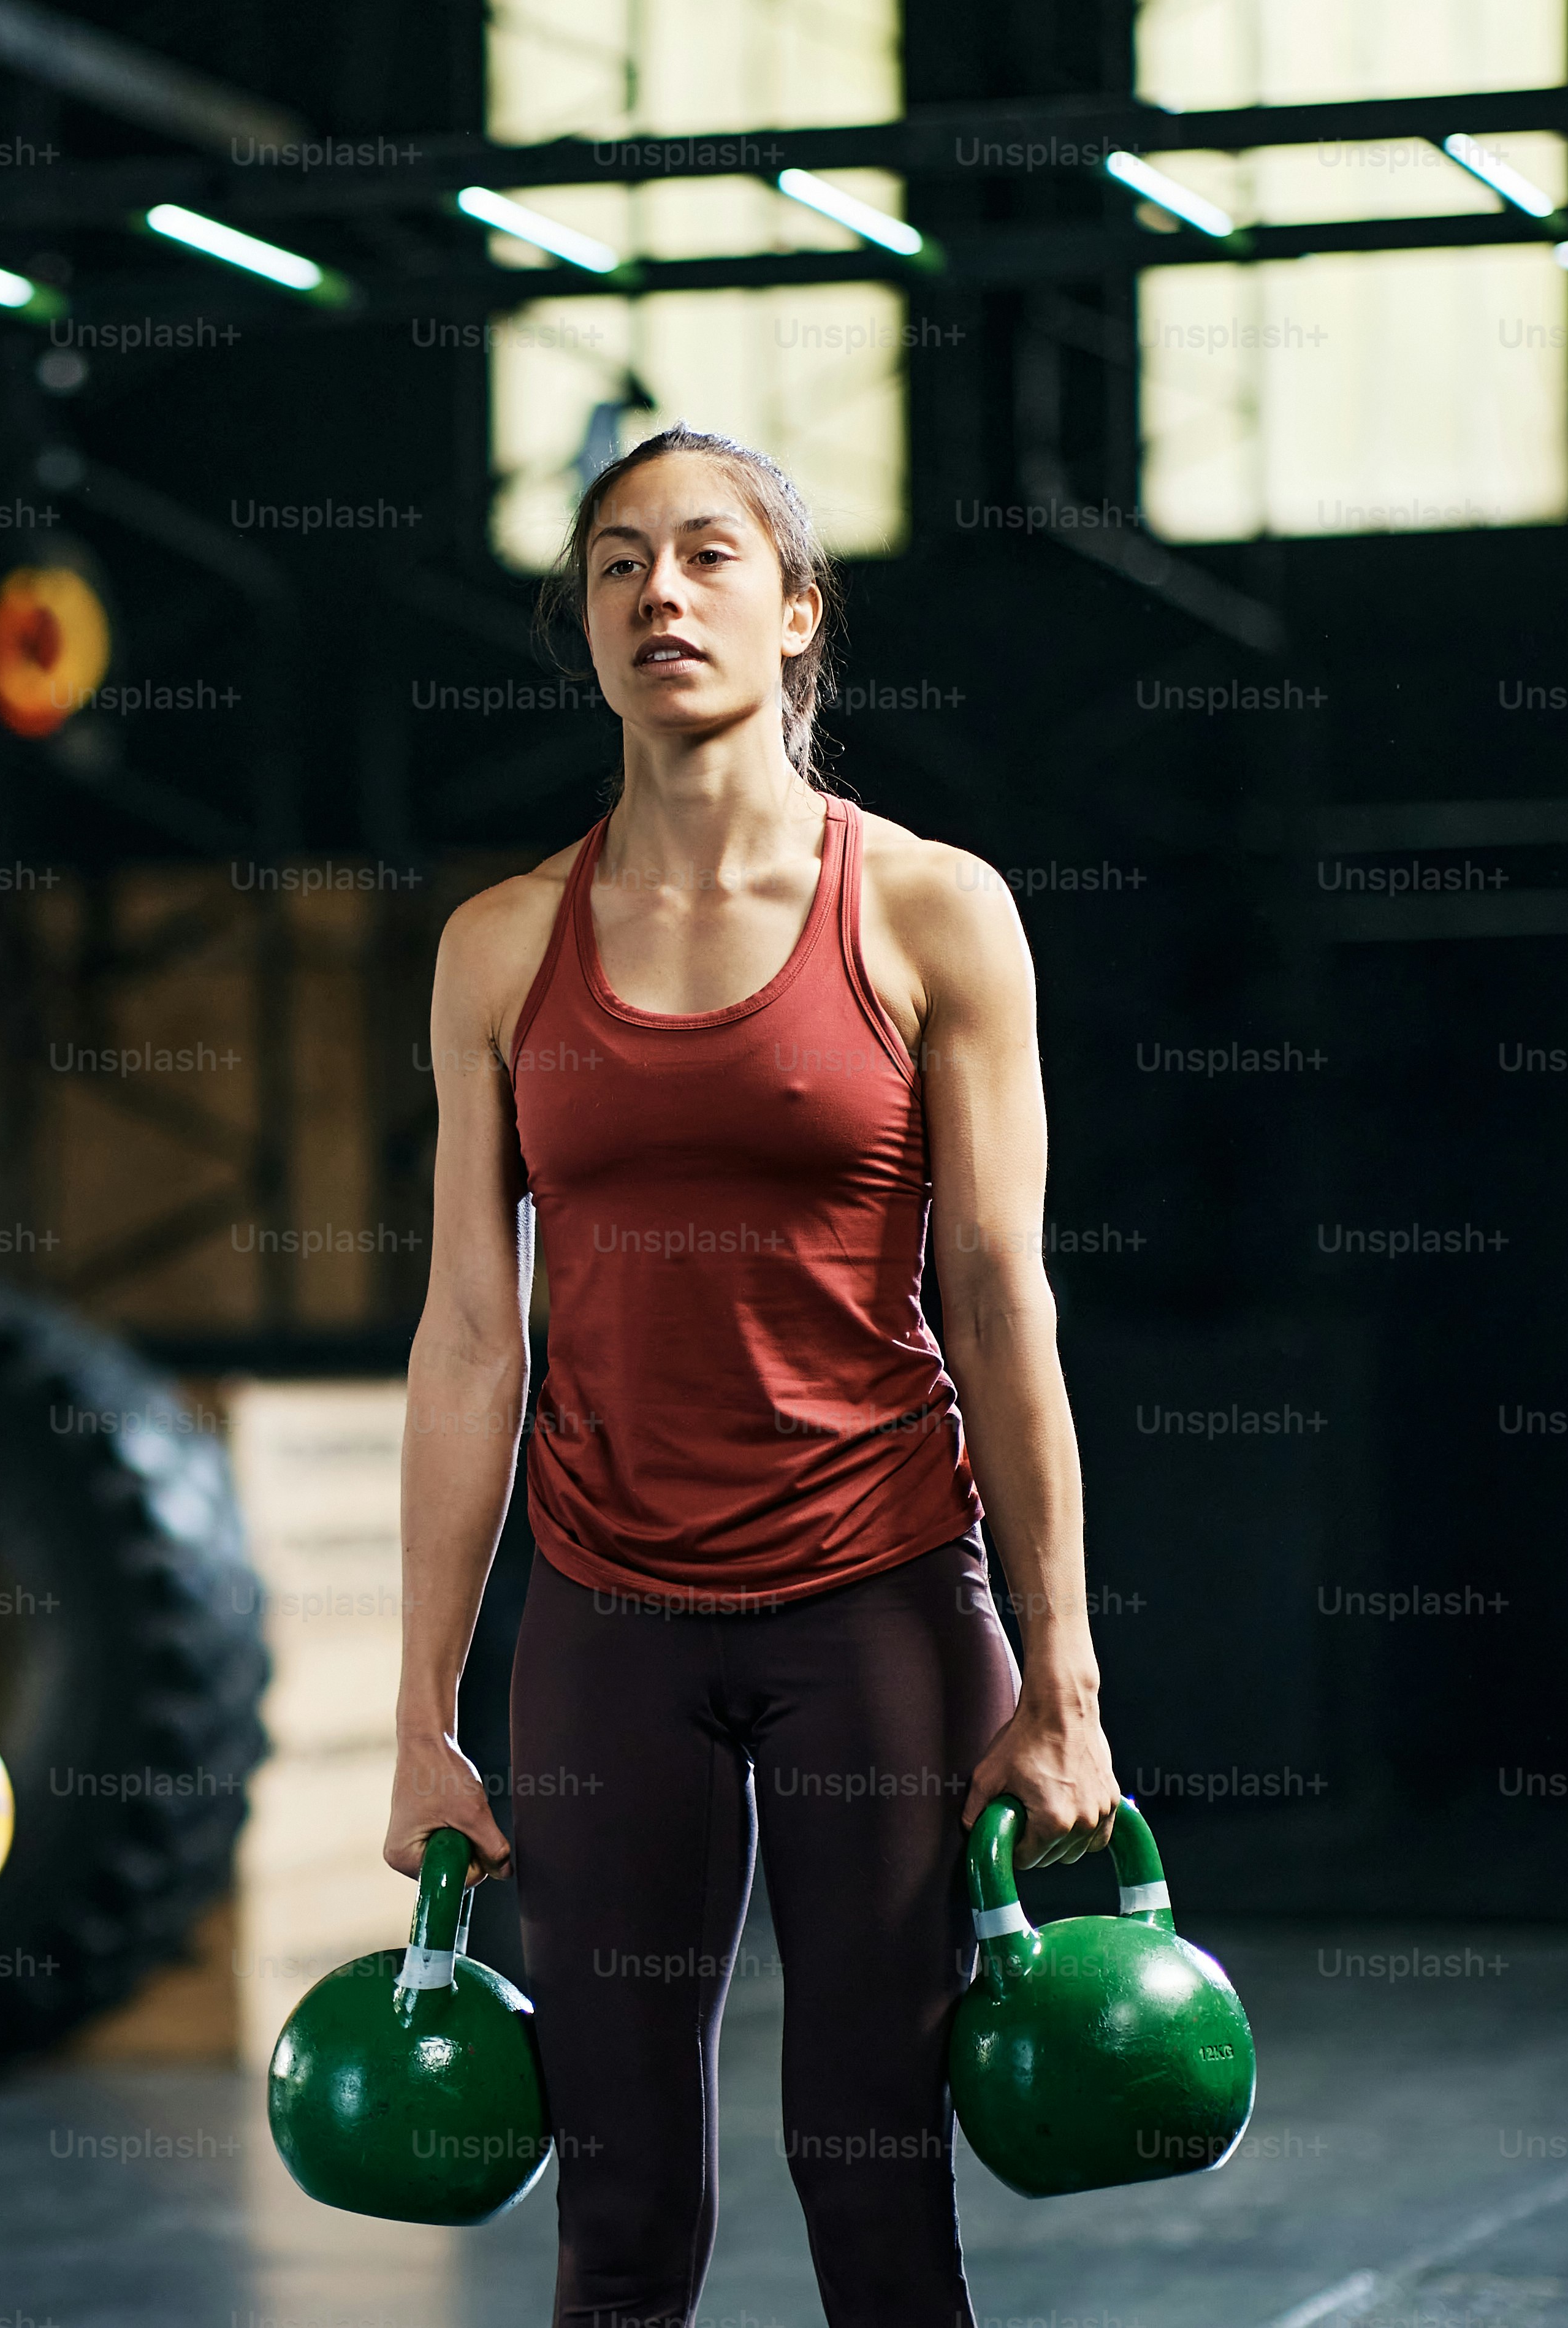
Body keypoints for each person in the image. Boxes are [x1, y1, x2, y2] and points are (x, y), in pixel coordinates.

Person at [385, 425, 1121, 2328]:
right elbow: (469, 1337)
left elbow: (999, 1301)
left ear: (796, 613)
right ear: (583, 625)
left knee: (873, 2185)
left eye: (708, 555)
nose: (659, 592)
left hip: (877, 1604)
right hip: (606, 1622)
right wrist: (418, 1713)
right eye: (616, 562)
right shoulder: (496, 950)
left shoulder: (930, 911)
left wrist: (1061, 1680)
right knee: (615, 2207)